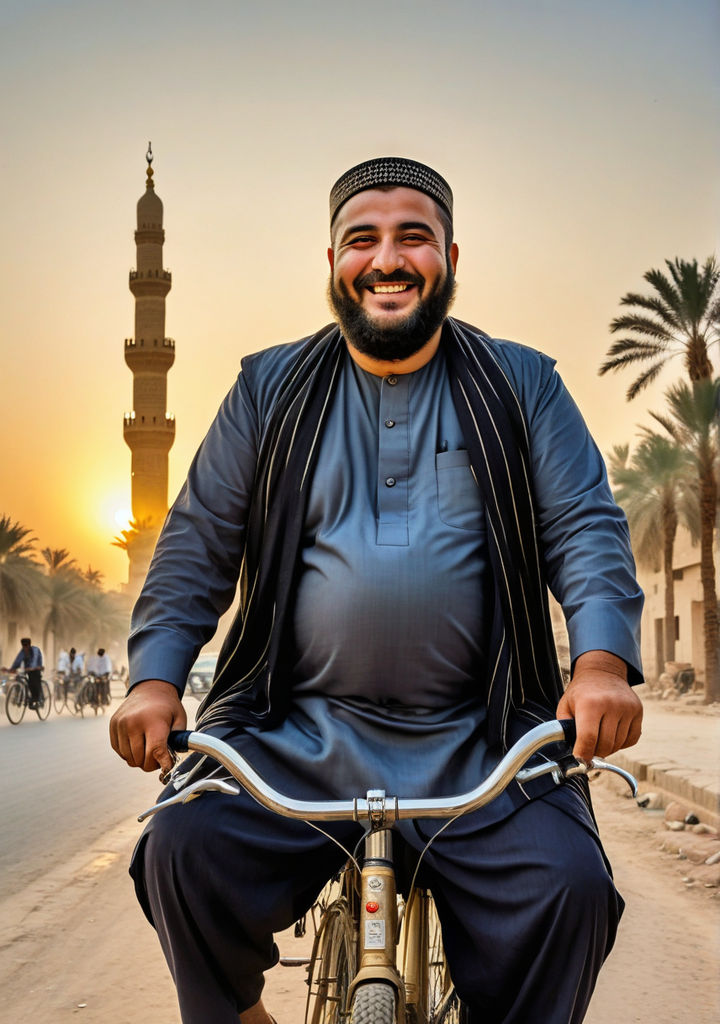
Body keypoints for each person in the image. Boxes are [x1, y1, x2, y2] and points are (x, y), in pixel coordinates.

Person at [110, 157, 644, 1024]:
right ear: (332, 262)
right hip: (293, 734)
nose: (387, 259)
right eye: (363, 239)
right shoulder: (268, 389)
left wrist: (601, 663)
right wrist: (155, 680)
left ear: (450, 257)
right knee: (180, 848)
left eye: (413, 238)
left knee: (572, 888)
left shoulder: (522, 384)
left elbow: (585, 527)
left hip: (483, 740)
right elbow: (197, 544)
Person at [4, 637, 44, 707]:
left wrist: (32, 668)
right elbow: (17, 661)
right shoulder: (22, 651)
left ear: (29, 645)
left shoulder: (35, 650)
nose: (25, 647)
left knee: (33, 680)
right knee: (18, 678)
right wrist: (11, 669)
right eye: (23, 646)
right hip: (27, 668)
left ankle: (36, 698)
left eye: (26, 645)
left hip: (36, 667)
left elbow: (35, 660)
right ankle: (18, 697)